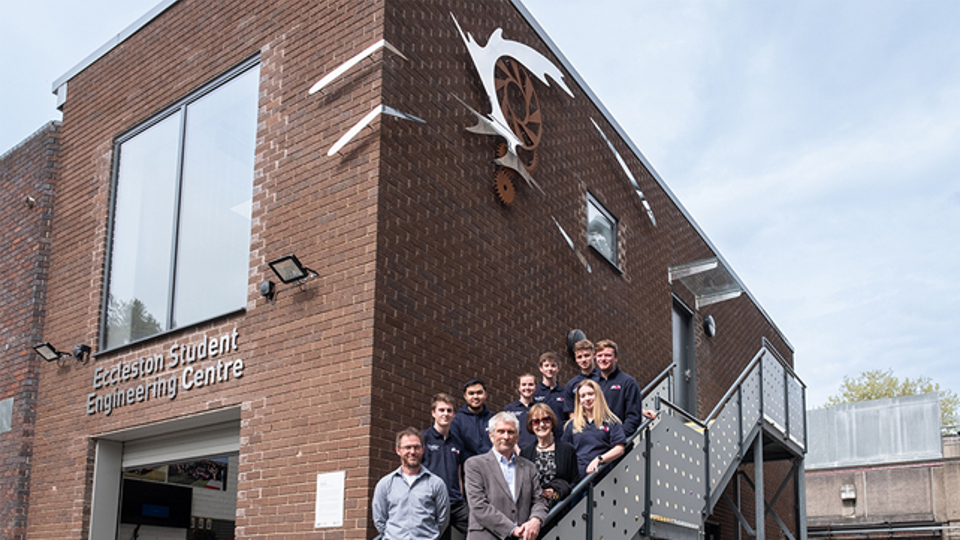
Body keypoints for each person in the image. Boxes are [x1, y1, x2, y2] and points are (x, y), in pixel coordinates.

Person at [464, 412, 548, 540]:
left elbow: (539, 500)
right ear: (491, 435)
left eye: (511, 432)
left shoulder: (529, 467)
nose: (506, 436)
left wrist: (536, 520)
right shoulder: (475, 465)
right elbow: (478, 505)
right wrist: (511, 529)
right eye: (501, 431)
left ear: (517, 437)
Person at [373, 427, 450, 540]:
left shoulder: (436, 484)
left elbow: (443, 519)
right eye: (407, 447)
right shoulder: (385, 484)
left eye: (416, 447)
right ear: (398, 450)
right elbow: (379, 519)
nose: (412, 452)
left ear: (423, 449)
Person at [422, 393, 469, 539]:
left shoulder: (457, 442)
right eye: (441, 410)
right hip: (432, 502)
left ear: (454, 414)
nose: (445, 414)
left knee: (477, 530)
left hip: (456, 502)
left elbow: (459, 471)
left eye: (449, 410)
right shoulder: (423, 438)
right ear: (433, 413)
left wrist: (460, 495)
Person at [562, 379, 626, 478]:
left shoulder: (611, 422)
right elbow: (564, 453)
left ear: (598, 395)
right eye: (583, 396)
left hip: (601, 479)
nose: (587, 398)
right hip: (576, 480)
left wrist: (599, 459)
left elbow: (619, 449)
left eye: (591, 394)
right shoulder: (572, 425)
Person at [519, 403, 578, 507]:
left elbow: (574, 481)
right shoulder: (525, 453)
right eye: (536, 421)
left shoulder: (567, 450)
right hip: (533, 510)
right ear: (531, 425)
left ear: (552, 422)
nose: (541, 425)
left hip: (560, 509)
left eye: (545, 420)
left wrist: (555, 495)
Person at [594, 339, 655, 436]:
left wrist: (618, 437)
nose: (603, 359)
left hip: (617, 443)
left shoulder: (628, 382)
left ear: (616, 358)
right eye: (600, 355)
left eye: (608, 355)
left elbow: (633, 417)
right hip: (593, 442)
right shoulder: (592, 384)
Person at [451, 378, 495, 460]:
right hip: (467, 467)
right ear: (465, 396)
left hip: (491, 466)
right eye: (471, 393)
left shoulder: (494, 420)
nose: (475, 397)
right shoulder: (456, 420)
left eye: (479, 393)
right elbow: (456, 447)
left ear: (486, 394)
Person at [563, 339, 601, 420]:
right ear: (576, 359)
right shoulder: (571, 384)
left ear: (594, 355)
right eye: (579, 357)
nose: (583, 360)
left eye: (587, 355)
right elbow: (571, 413)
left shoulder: (603, 378)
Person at [532, 351, 566, 436]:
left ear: (558, 368)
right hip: (539, 437)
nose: (550, 369)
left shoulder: (564, 393)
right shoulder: (534, 392)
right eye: (546, 365)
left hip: (560, 439)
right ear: (541, 368)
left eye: (553, 365)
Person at [503, 373, 537, 449]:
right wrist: (517, 450)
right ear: (519, 387)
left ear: (535, 387)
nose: (527, 387)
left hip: (536, 450)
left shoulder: (540, 408)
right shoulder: (509, 409)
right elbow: (507, 431)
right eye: (524, 385)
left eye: (530, 384)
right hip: (516, 451)